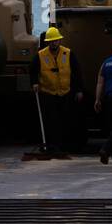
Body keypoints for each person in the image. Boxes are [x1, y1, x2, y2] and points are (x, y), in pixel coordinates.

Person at [30, 27, 83, 155]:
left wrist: (79, 90)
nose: (54, 43)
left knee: (66, 120)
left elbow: (77, 73)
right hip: (48, 93)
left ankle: (64, 146)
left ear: (59, 41)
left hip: (65, 93)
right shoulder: (40, 55)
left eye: (56, 41)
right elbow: (33, 71)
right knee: (51, 121)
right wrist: (34, 83)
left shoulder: (68, 53)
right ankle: (52, 146)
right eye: (51, 41)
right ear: (47, 42)